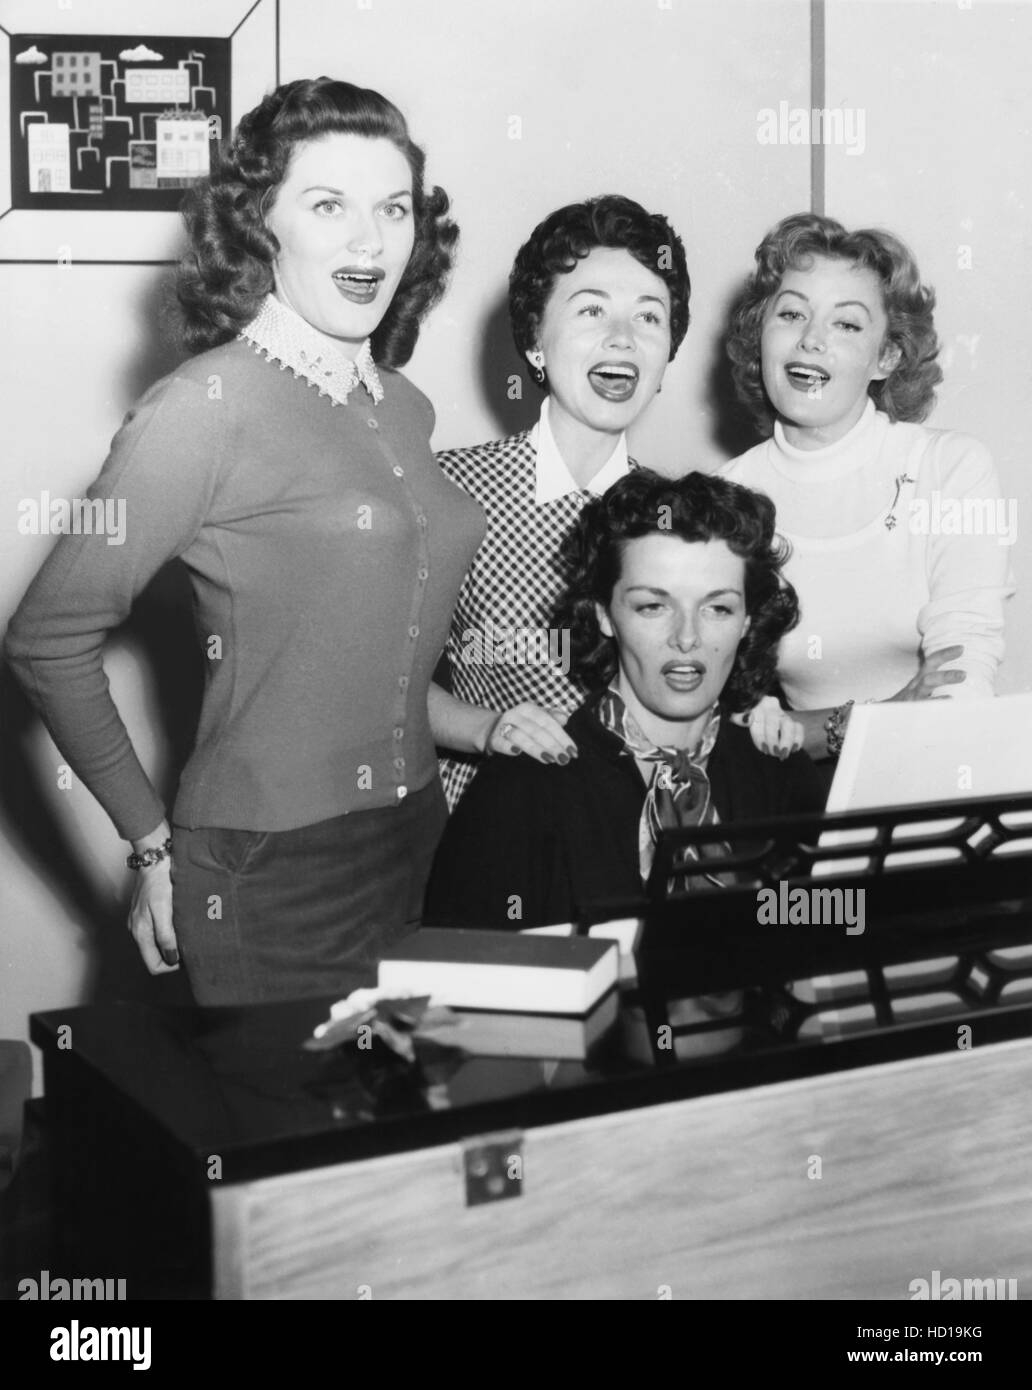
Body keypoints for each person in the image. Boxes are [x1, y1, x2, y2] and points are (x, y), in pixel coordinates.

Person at [4, 77, 564, 1007]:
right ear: (259, 226)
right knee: (297, 1142)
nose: (368, 239)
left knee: (409, 1136)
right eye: (327, 204)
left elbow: (361, 659)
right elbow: (44, 640)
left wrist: (485, 729)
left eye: (393, 208)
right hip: (271, 870)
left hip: (422, 838)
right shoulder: (201, 410)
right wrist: (151, 847)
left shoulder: (403, 405)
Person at [435, 195, 799, 811]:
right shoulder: (449, 488)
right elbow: (384, 689)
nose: (622, 339)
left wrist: (753, 705)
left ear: (665, 360)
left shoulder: (679, 517)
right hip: (496, 834)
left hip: (640, 837)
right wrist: (487, 730)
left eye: (649, 318)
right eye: (591, 310)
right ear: (534, 342)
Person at [424, 468, 826, 931]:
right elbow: (464, 974)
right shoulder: (527, 784)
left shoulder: (779, 770)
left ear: (747, 622)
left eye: (718, 608)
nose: (687, 638)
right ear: (604, 616)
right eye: (652, 606)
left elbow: (826, 941)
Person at [721, 213, 1014, 765]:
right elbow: (723, 719)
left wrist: (809, 730)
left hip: (936, 777)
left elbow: (960, 686)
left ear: (888, 356)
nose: (811, 340)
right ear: (760, 335)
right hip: (788, 799)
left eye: (847, 325)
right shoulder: (724, 496)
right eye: (791, 314)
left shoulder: (950, 469)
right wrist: (858, 721)